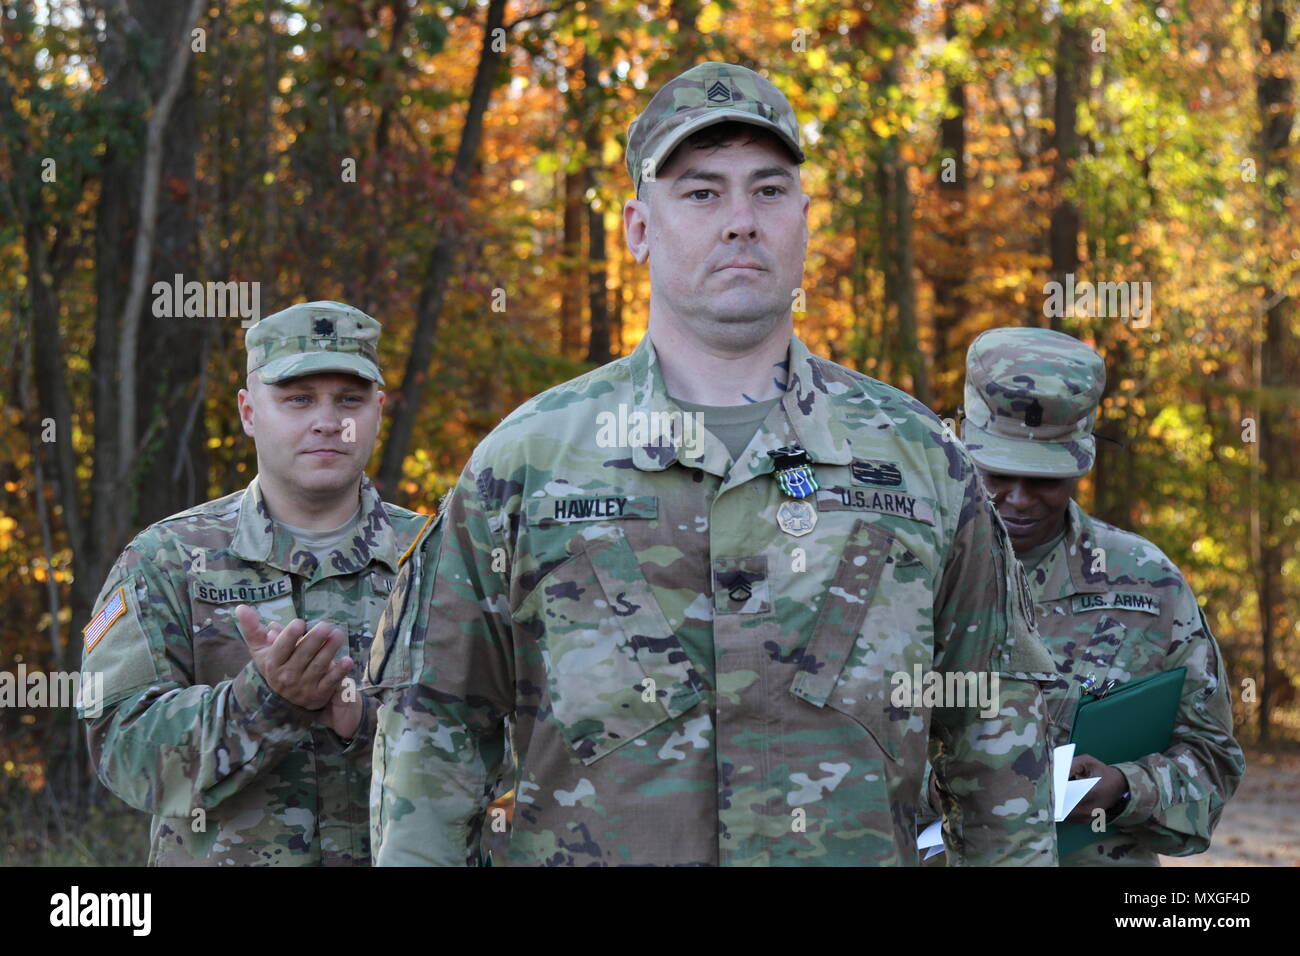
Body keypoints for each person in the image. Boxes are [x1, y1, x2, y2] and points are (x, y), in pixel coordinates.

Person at [365, 62, 1058, 866]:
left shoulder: (917, 460)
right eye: (701, 193)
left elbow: (992, 733)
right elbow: (437, 730)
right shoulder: (526, 462)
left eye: (767, 191)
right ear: (638, 229)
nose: (740, 222)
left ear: (805, 220)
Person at [77, 301, 432, 865]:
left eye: (349, 399)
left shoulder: (436, 558)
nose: (326, 420)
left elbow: (511, 743)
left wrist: (364, 724)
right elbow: (123, 750)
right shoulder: (166, 560)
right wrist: (264, 703)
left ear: (378, 410)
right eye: (297, 399)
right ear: (247, 411)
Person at [958, 325, 1245, 865]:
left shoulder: (1146, 582)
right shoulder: (907, 572)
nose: (1017, 499)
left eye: (1045, 479)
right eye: (998, 474)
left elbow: (1213, 760)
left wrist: (1124, 787)